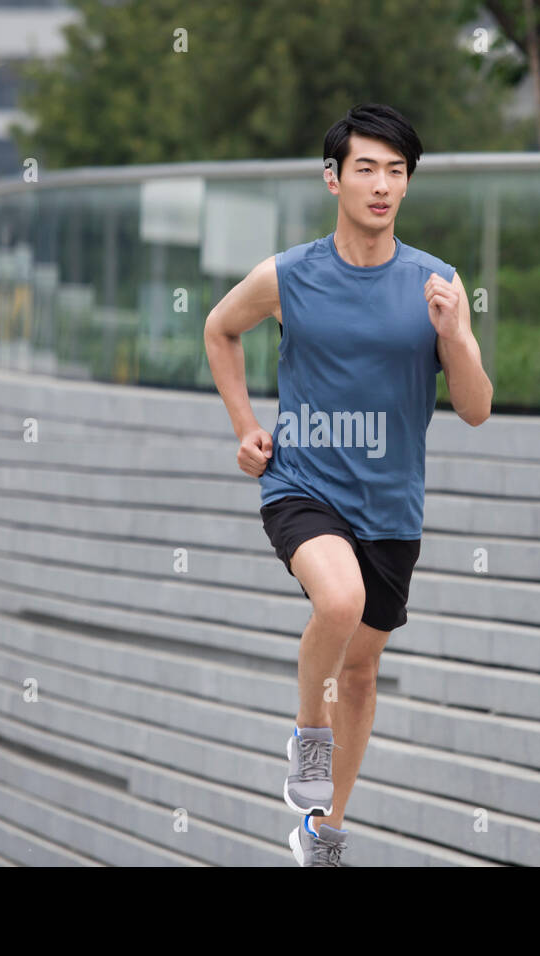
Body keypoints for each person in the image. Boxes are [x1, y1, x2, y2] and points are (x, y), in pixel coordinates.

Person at [203, 103, 492, 866]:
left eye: (396, 171)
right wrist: (245, 424)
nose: (382, 184)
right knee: (340, 601)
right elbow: (219, 328)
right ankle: (308, 737)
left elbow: (475, 408)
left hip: (392, 508)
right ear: (332, 178)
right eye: (366, 168)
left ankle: (324, 828)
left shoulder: (437, 283)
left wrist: (456, 335)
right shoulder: (290, 275)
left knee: (361, 670)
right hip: (301, 482)